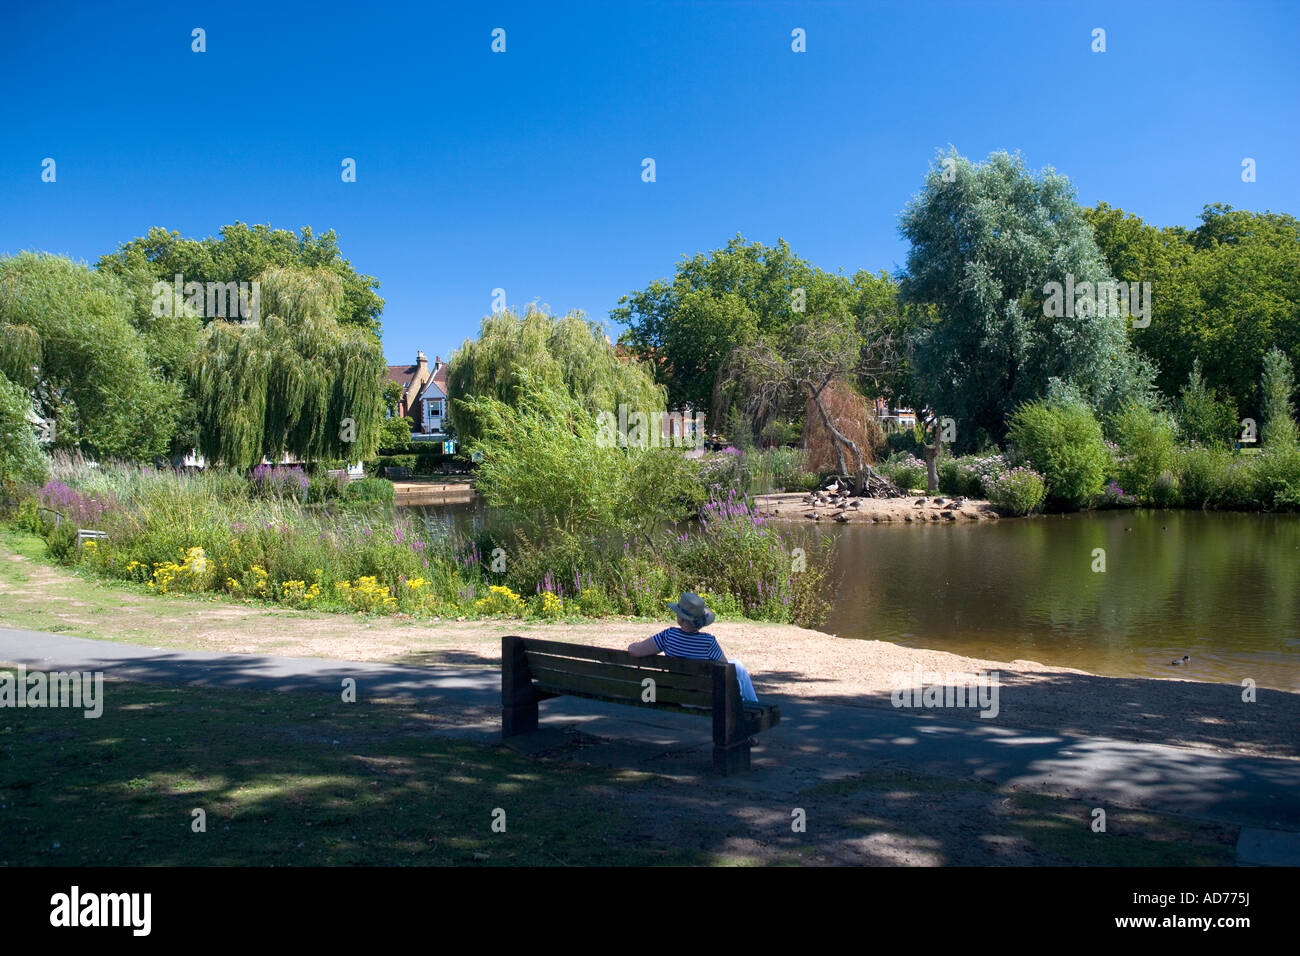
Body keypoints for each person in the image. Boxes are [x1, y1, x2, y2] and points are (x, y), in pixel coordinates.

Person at [626, 592, 759, 704]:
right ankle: (752, 706)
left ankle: (751, 706)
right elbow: (725, 669)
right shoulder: (709, 642)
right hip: (704, 697)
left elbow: (635, 651)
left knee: (737, 664)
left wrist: (631, 645)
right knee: (737, 668)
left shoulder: (668, 636)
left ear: (681, 619)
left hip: (678, 695)